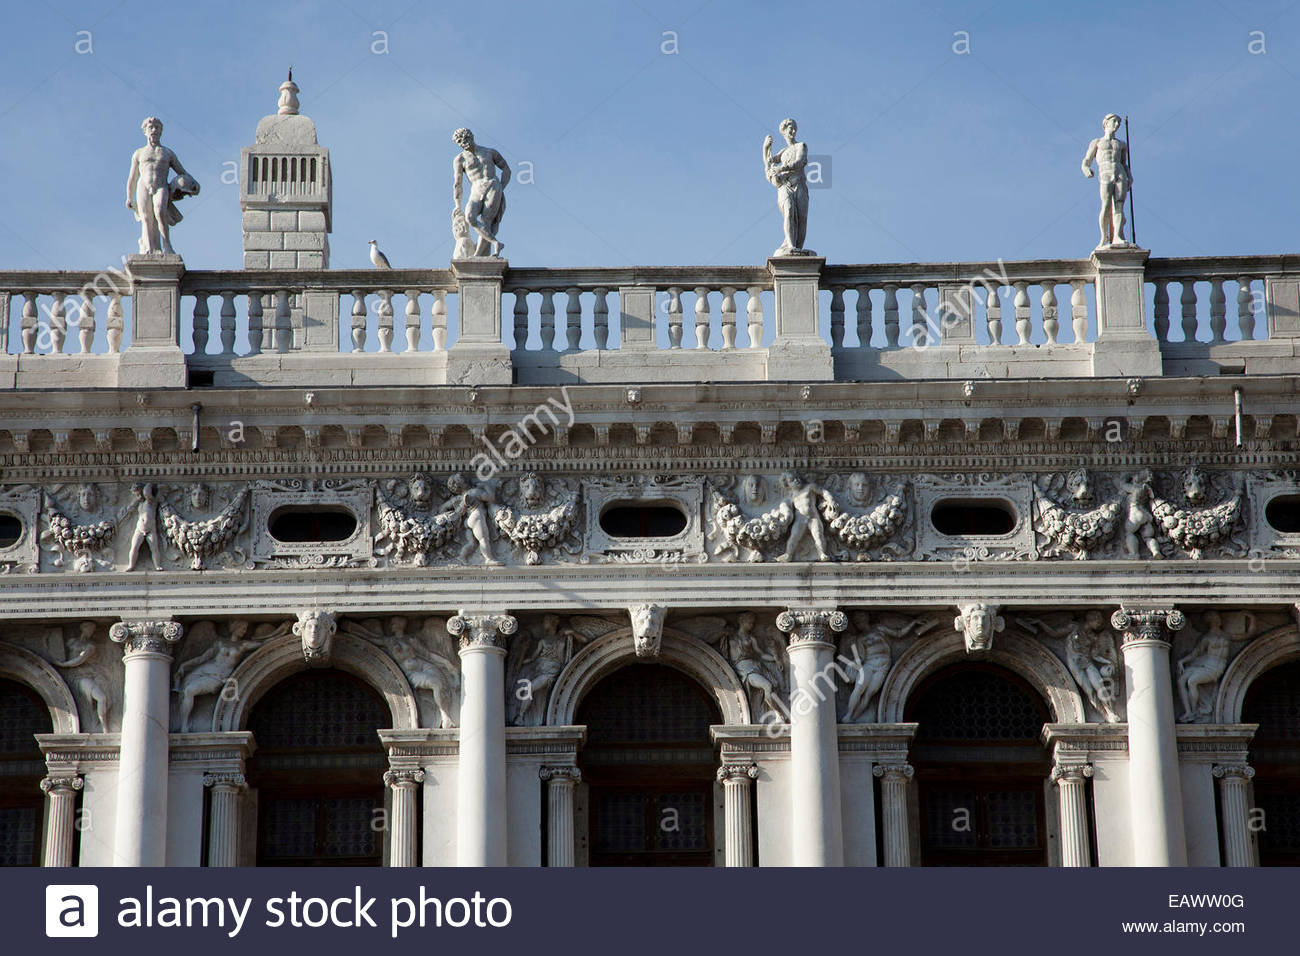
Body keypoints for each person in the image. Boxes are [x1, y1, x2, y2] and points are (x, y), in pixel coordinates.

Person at [126, 117, 198, 255]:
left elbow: (182, 171)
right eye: (151, 128)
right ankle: (149, 248)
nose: (154, 130)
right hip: (143, 186)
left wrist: (193, 184)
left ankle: (167, 246)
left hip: (160, 185)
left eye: (157, 128)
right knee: (146, 217)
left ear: (160, 132)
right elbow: (132, 177)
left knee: (160, 212)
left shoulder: (167, 153)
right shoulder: (139, 153)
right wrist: (129, 197)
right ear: (145, 131)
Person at [451, 128, 510, 257]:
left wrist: (501, 187)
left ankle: (479, 255)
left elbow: (506, 169)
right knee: (470, 217)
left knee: (486, 220)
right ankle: (495, 243)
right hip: (476, 188)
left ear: (471, 137)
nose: (462, 142)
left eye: (465, 138)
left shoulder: (490, 152)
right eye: (459, 141)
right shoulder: (460, 159)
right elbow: (457, 184)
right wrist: (457, 204)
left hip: (493, 185)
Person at [1081, 114, 1133, 249]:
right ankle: (1104, 237)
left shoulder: (1121, 144)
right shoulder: (1097, 142)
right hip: (1105, 172)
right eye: (1114, 121)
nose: (1116, 125)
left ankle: (1117, 236)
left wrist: (1129, 176)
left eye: (1118, 123)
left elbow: (1124, 163)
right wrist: (1086, 169)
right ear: (1106, 123)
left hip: (1119, 172)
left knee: (1119, 205)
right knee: (1106, 205)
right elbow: (1087, 160)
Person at [762, 118, 812, 256]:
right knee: (789, 212)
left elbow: (799, 162)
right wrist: (765, 148)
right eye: (791, 128)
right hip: (785, 186)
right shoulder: (782, 152)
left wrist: (781, 168)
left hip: (800, 185)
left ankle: (798, 248)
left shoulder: (801, 146)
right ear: (784, 131)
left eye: (795, 128)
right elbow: (769, 163)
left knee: (802, 218)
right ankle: (790, 245)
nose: (793, 131)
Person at [776, 471, 832, 562]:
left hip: (813, 517)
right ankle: (788, 554)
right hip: (800, 519)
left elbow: (823, 492)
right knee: (794, 537)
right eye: (792, 480)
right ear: (788, 485)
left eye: (797, 477)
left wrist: (831, 500)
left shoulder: (809, 487)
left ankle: (822, 553)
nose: (796, 480)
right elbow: (785, 505)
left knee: (818, 535)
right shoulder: (792, 496)